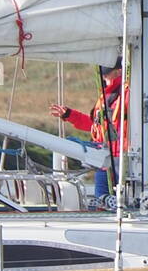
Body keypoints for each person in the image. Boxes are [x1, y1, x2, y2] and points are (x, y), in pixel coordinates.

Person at [50, 58, 127, 208]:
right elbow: (95, 126)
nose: (104, 77)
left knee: (118, 204)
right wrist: (69, 115)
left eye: (107, 74)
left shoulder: (127, 95)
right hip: (103, 161)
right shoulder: (106, 98)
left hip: (121, 161)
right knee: (102, 205)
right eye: (103, 74)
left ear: (119, 72)